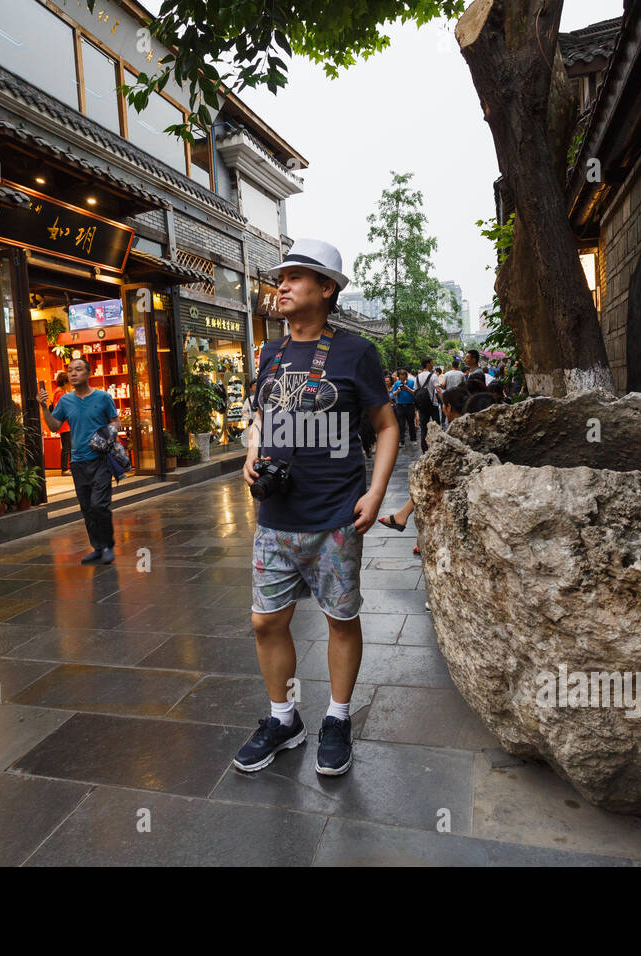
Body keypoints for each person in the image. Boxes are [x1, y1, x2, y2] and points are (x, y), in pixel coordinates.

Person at [237, 238, 398, 776]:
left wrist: (375, 494)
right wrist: (253, 451)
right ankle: (284, 718)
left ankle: (336, 718)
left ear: (326, 289)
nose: (280, 285)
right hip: (275, 518)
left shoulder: (356, 352)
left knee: (340, 618)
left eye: (295, 277)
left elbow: (386, 425)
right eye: (279, 277)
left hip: (335, 518)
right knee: (265, 622)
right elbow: (260, 414)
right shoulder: (271, 352)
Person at [39, 355, 118, 564]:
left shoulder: (103, 398)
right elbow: (55, 427)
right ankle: (98, 547)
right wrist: (44, 408)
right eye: (70, 370)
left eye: (78, 369)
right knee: (86, 507)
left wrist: (105, 436)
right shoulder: (65, 400)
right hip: (78, 461)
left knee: (99, 504)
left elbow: (116, 422)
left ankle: (108, 545)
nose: (73, 373)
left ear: (88, 374)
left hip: (101, 459)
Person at [379, 385, 470, 536]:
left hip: (457, 487)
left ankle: (406, 519)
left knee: (427, 481)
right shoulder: (466, 425)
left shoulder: (456, 431)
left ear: (448, 407)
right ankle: (407, 520)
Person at [414, 357, 442, 453]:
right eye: (432, 363)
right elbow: (438, 390)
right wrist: (444, 402)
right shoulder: (433, 376)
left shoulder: (417, 377)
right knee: (437, 426)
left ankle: (424, 449)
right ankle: (437, 446)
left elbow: (416, 391)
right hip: (433, 404)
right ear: (428, 364)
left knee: (423, 428)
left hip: (422, 406)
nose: (433, 364)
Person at [390, 368, 417, 446]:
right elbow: (393, 394)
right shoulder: (397, 383)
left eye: (403, 377)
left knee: (411, 422)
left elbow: (415, 393)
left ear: (406, 377)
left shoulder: (412, 382)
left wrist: (407, 388)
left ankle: (413, 439)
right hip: (400, 405)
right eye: (400, 378)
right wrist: (398, 390)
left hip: (410, 405)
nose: (402, 379)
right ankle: (401, 441)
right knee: (401, 424)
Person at [50, 370, 71, 470]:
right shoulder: (60, 394)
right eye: (68, 383)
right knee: (67, 447)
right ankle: (65, 468)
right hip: (65, 425)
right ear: (65, 383)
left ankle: (68, 467)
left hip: (64, 424)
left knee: (68, 447)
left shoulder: (59, 392)